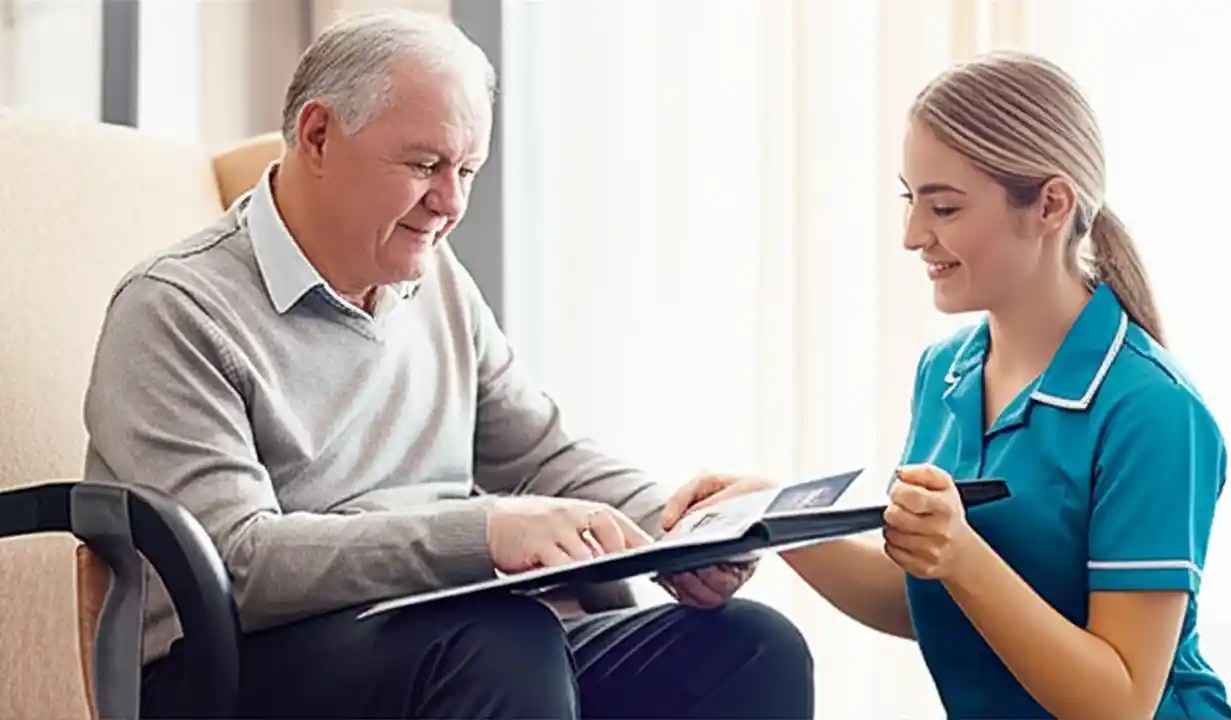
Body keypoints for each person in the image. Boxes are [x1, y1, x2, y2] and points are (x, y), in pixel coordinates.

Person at [82, 10, 813, 719]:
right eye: (426, 164)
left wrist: (671, 532)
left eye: (468, 168)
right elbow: (238, 563)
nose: (451, 201)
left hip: (445, 640)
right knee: (501, 642)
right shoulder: (176, 309)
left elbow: (538, 456)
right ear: (317, 136)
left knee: (751, 646)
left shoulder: (432, 279)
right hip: (228, 667)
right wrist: (485, 532)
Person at [664, 51, 1231, 719]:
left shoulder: (1153, 412)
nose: (912, 235)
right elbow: (925, 598)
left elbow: (1121, 703)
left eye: (944, 207)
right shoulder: (946, 373)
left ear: (1050, 204)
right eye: (911, 200)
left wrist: (963, 558)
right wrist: (768, 518)